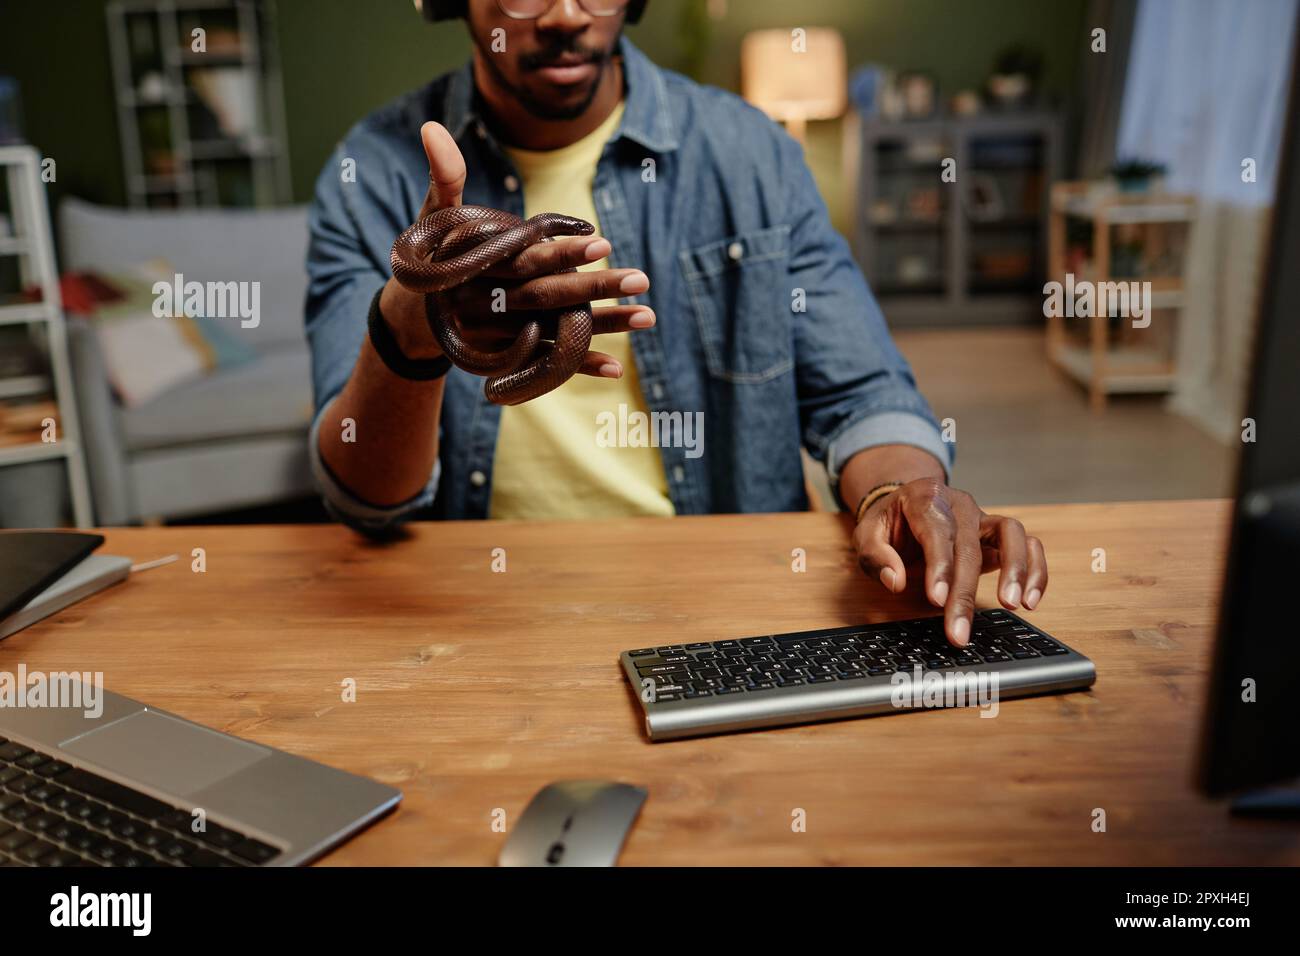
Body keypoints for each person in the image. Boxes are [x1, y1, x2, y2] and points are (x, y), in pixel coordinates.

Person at [305, 0, 1048, 647]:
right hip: (468, 615)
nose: (566, 15)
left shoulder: (752, 153)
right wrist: (412, 327)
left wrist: (900, 495)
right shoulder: (370, 173)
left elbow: (862, 393)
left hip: (728, 610)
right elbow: (364, 495)